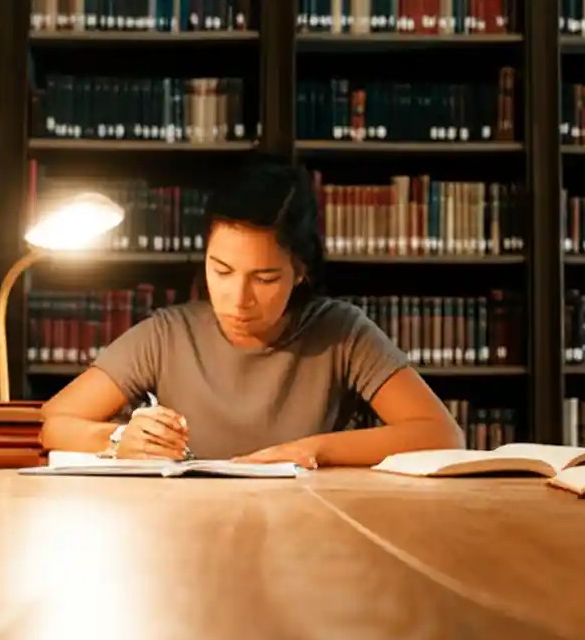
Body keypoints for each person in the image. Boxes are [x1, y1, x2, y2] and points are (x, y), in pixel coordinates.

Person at [39, 153, 464, 468]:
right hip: (184, 532)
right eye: (221, 270)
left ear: (300, 273)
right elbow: (54, 421)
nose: (238, 298)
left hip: (305, 534)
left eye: (264, 279)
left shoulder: (340, 333)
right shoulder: (168, 336)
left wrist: (315, 448)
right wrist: (118, 439)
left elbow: (442, 435)